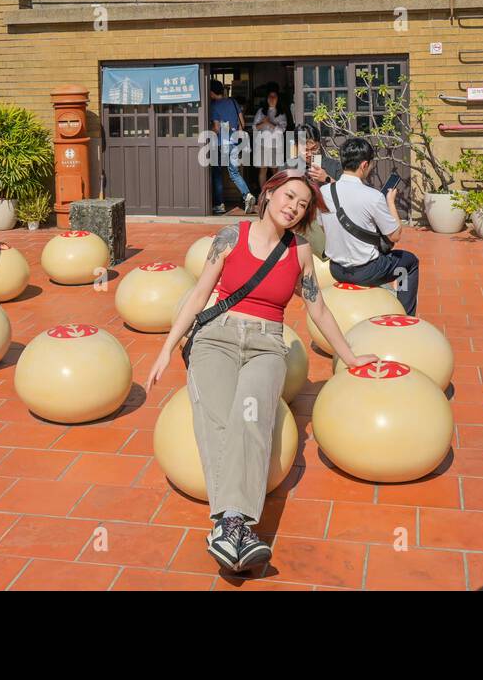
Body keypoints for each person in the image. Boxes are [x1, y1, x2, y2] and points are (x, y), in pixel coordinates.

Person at [145, 169, 376, 574]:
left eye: (302, 205)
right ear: (269, 195)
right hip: (216, 336)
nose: (293, 207)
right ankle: (237, 525)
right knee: (217, 421)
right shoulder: (230, 236)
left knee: (250, 419)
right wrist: (167, 348)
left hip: (268, 345)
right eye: (289, 197)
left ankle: (226, 527)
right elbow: (200, 293)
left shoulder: (301, 251)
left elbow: (317, 308)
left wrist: (351, 358)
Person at [319, 137, 418, 315]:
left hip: (336, 268)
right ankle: (405, 313)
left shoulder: (324, 191)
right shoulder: (372, 196)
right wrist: (391, 202)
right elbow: (394, 236)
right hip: (365, 270)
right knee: (408, 263)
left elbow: (323, 227)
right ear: (364, 165)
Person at [209, 79, 254, 215]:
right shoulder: (233, 102)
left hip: (222, 145)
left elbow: (216, 128)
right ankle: (247, 195)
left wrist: (207, 131)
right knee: (234, 173)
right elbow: (243, 123)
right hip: (234, 143)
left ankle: (219, 205)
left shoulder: (214, 106)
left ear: (211, 93)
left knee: (217, 174)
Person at [253, 86, 288, 190]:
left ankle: (274, 192)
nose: (272, 99)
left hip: (276, 145)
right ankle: (263, 194)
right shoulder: (261, 111)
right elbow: (254, 127)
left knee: (275, 170)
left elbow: (282, 130)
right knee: (263, 170)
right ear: (266, 98)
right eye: (270, 96)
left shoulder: (281, 113)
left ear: (278, 98)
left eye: (274, 96)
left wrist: (269, 123)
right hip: (262, 144)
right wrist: (263, 123)